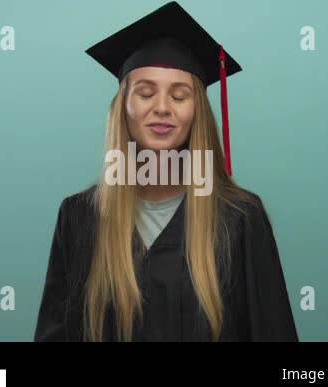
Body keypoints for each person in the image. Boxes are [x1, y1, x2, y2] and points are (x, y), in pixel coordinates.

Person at [34, 1, 298, 341]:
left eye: (180, 95)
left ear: (196, 112)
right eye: (145, 93)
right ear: (123, 108)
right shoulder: (80, 218)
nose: (162, 108)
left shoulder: (240, 219)